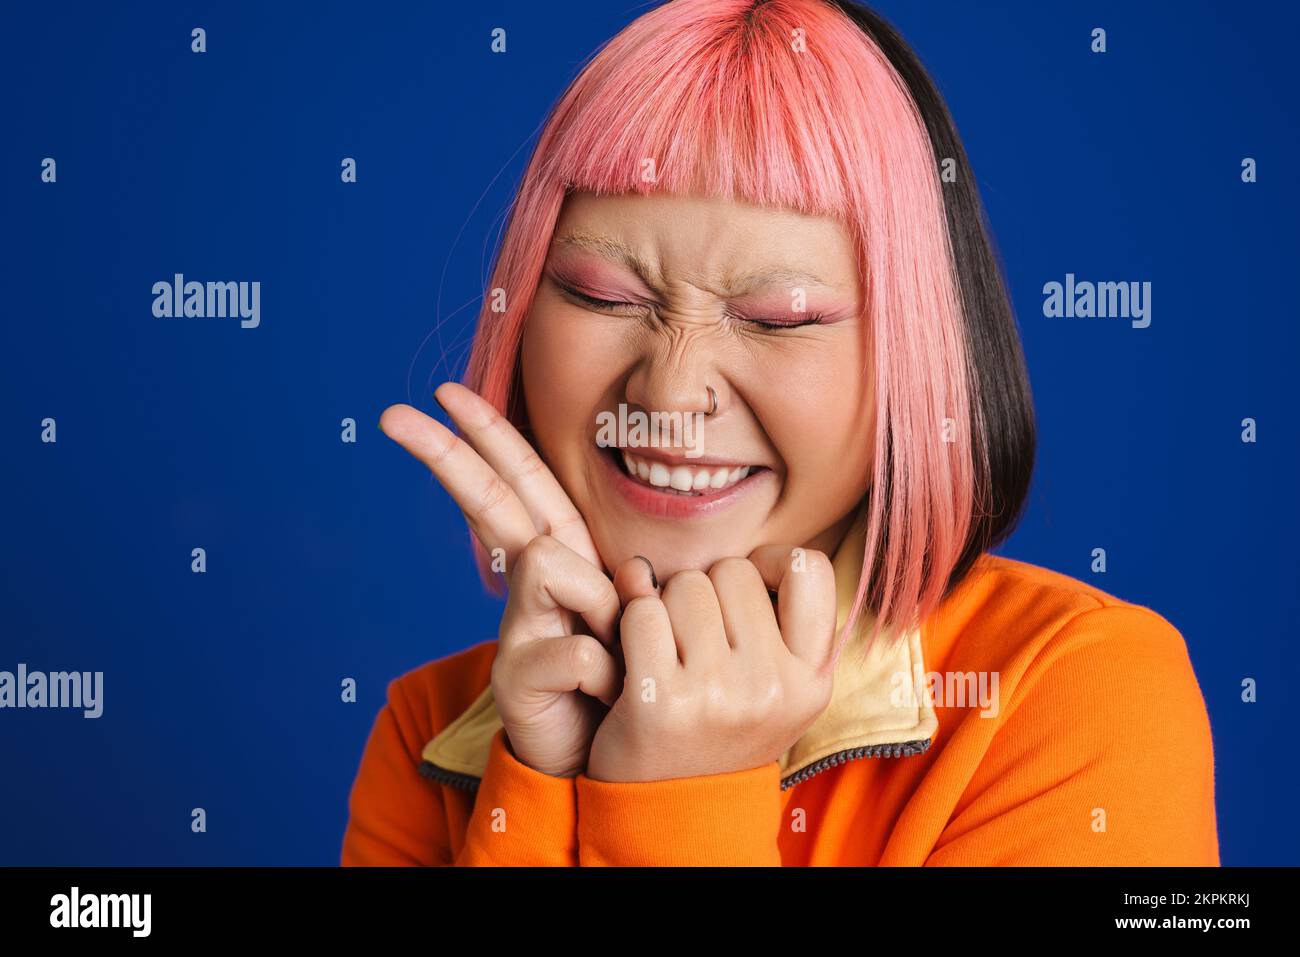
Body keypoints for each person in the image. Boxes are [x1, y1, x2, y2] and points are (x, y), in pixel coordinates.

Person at [341, 0, 1219, 866]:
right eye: (604, 296)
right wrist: (539, 779)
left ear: (916, 357)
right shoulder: (431, 731)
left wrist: (677, 796)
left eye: (780, 316)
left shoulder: (1079, 691)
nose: (672, 392)